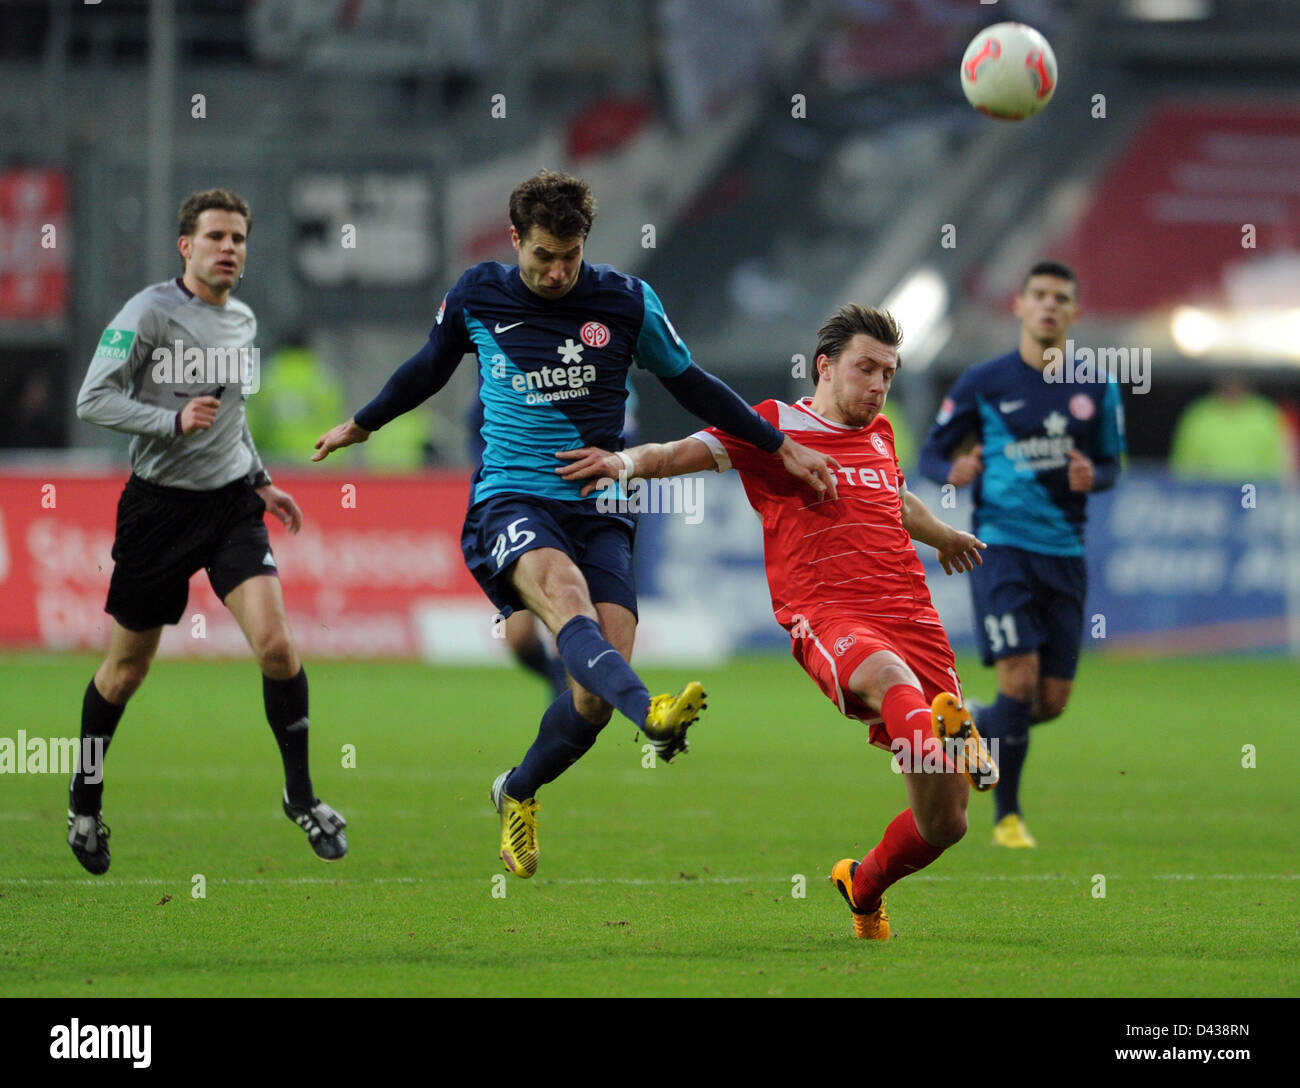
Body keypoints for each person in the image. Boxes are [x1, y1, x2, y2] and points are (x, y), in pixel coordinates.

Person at [313, 169, 837, 879]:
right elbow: (428, 368)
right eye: (543, 256)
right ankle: (652, 714)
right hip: (513, 498)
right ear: (515, 241)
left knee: (590, 695)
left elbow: (691, 383)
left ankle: (517, 789)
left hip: (603, 507)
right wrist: (364, 422)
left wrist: (778, 445)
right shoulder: (478, 294)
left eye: (570, 255)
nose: (557, 271)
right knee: (564, 602)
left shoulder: (624, 301)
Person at [558, 304, 997, 940]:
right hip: (832, 612)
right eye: (865, 369)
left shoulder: (878, 433)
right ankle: (953, 736)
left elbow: (892, 496)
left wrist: (944, 534)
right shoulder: (773, 427)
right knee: (892, 683)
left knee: (945, 822)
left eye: (889, 375)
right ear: (825, 366)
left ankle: (863, 884)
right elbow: (681, 452)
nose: (878, 386)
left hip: (913, 616)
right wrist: (623, 463)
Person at [70, 188, 346, 875]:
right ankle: (84, 798)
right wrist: (168, 422)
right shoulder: (147, 314)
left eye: (239, 239)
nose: (229, 249)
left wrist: (260, 482)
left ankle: (302, 796)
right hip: (158, 512)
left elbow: (233, 417)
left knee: (278, 647)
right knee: (127, 670)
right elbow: (91, 397)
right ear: (185, 246)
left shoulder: (244, 321)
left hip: (228, 506)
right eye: (216, 236)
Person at [919, 261, 1125, 848]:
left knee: (1050, 702)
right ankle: (1007, 816)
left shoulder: (1097, 386)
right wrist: (952, 469)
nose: (1049, 306)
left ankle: (974, 726)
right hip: (1000, 547)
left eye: (1061, 298)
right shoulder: (983, 382)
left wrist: (1096, 475)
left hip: (1064, 552)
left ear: (1074, 313)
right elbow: (932, 454)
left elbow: (1112, 464)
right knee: (1021, 677)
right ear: (1019, 305)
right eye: (1039, 295)